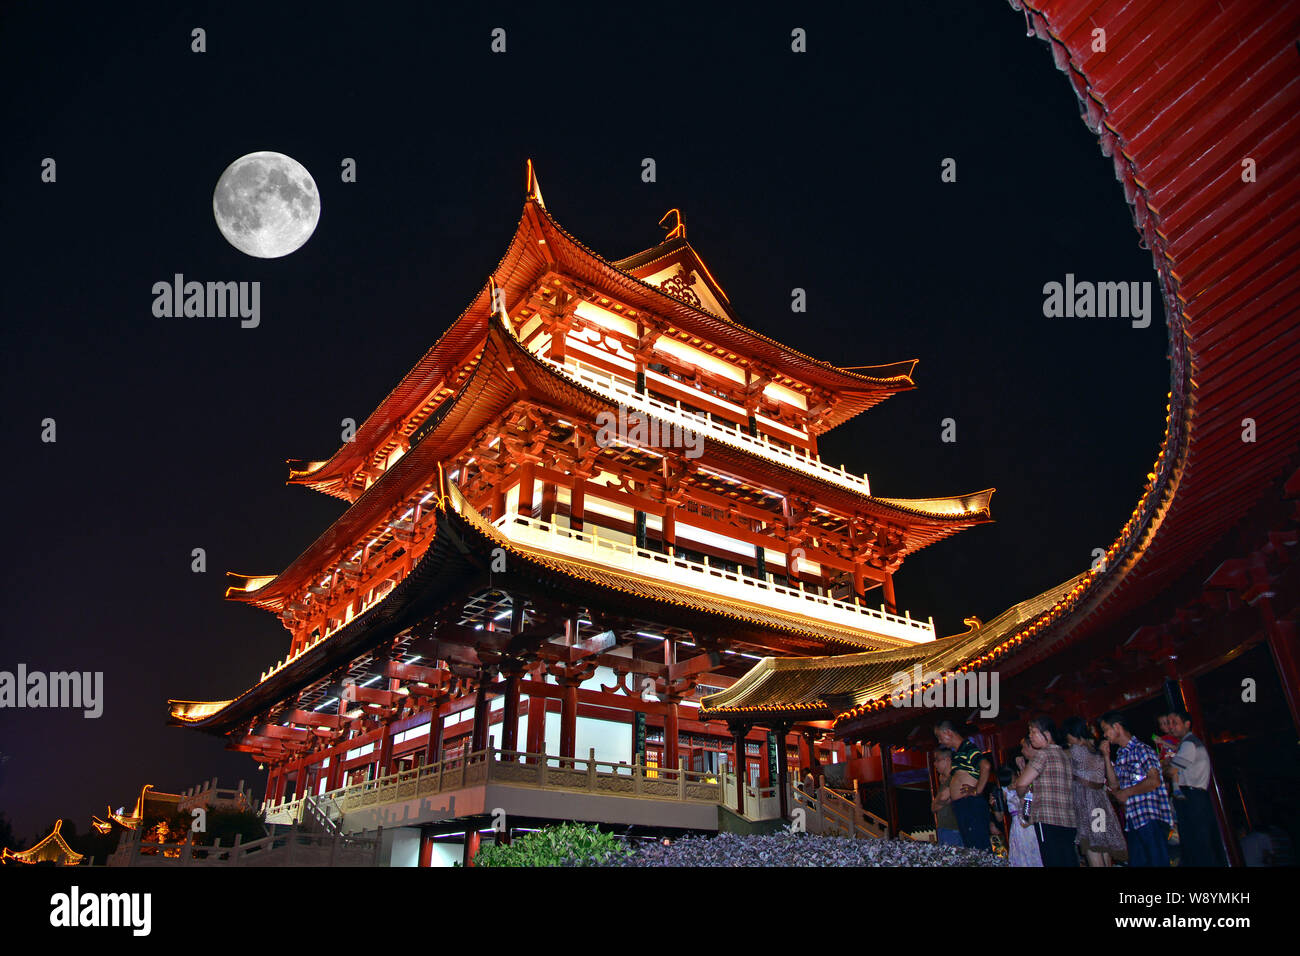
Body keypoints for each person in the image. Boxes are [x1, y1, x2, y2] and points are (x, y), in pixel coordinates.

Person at [1100, 709, 1175, 866]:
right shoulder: (1121, 755)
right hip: (1133, 819)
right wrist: (1106, 757)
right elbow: (1115, 786)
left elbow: (1154, 780)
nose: (1105, 735)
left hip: (1150, 816)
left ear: (1117, 727)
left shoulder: (1142, 749)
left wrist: (1127, 792)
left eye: (1106, 729)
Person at [1013, 716, 1078, 867]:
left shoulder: (1042, 754)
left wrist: (1023, 792)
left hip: (1047, 817)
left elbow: (1022, 783)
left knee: (1053, 860)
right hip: (1068, 818)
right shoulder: (1065, 754)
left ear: (1047, 734)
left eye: (1033, 732)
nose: (1030, 736)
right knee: (1069, 859)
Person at [1062, 715, 1126, 866]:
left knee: (1092, 846)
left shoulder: (1074, 751)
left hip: (1085, 802)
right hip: (1100, 802)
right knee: (1102, 844)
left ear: (1073, 733)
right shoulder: (1096, 749)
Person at [1162, 709, 1222, 866]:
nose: (1171, 727)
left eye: (1175, 723)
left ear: (1187, 724)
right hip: (1193, 797)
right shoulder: (1187, 743)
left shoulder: (1189, 743)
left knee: (1196, 845)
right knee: (1196, 844)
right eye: (1169, 724)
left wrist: (1167, 765)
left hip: (1192, 797)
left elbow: (1172, 770)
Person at [934, 720, 992, 852]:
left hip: (970, 804)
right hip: (962, 805)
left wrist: (977, 791)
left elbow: (985, 766)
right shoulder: (957, 753)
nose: (939, 741)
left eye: (939, 736)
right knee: (970, 847)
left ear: (948, 732)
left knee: (978, 847)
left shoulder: (967, 748)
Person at [1001, 740, 1042, 867]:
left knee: (1035, 852)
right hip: (1018, 826)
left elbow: (1029, 795)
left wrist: (1023, 770)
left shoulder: (1026, 784)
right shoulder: (1005, 790)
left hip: (1029, 821)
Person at [931, 748, 963, 847]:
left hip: (952, 829)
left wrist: (939, 802)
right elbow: (934, 806)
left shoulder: (954, 779)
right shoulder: (946, 781)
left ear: (948, 760)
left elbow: (942, 798)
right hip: (947, 829)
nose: (935, 764)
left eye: (937, 760)